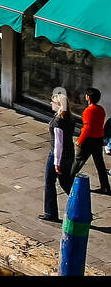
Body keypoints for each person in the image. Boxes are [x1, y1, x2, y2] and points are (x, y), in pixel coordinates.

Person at [41, 88, 77, 221]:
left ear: (59, 105)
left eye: (53, 102)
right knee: (66, 183)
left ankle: (50, 213)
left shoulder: (58, 121)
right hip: (69, 154)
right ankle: (80, 204)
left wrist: (56, 163)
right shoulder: (70, 118)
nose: (51, 104)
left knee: (50, 182)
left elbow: (58, 144)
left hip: (58, 156)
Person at [72, 87, 111, 194]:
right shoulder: (101, 109)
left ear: (88, 97)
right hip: (98, 140)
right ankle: (105, 186)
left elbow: (87, 128)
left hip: (88, 140)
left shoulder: (88, 111)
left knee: (78, 161)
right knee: (100, 164)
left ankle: (68, 180)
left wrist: (79, 141)